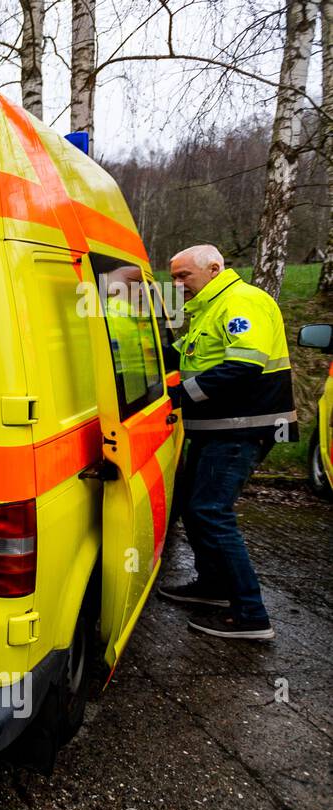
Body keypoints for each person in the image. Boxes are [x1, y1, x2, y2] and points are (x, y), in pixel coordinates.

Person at [157, 245, 297, 641]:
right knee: (193, 506)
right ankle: (214, 587)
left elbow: (243, 366)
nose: (178, 284)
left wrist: (180, 396)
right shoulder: (209, 311)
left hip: (241, 427)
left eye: (184, 276)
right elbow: (183, 357)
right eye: (175, 277)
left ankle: (251, 614)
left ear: (214, 268)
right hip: (217, 427)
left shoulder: (242, 301)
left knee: (210, 510)